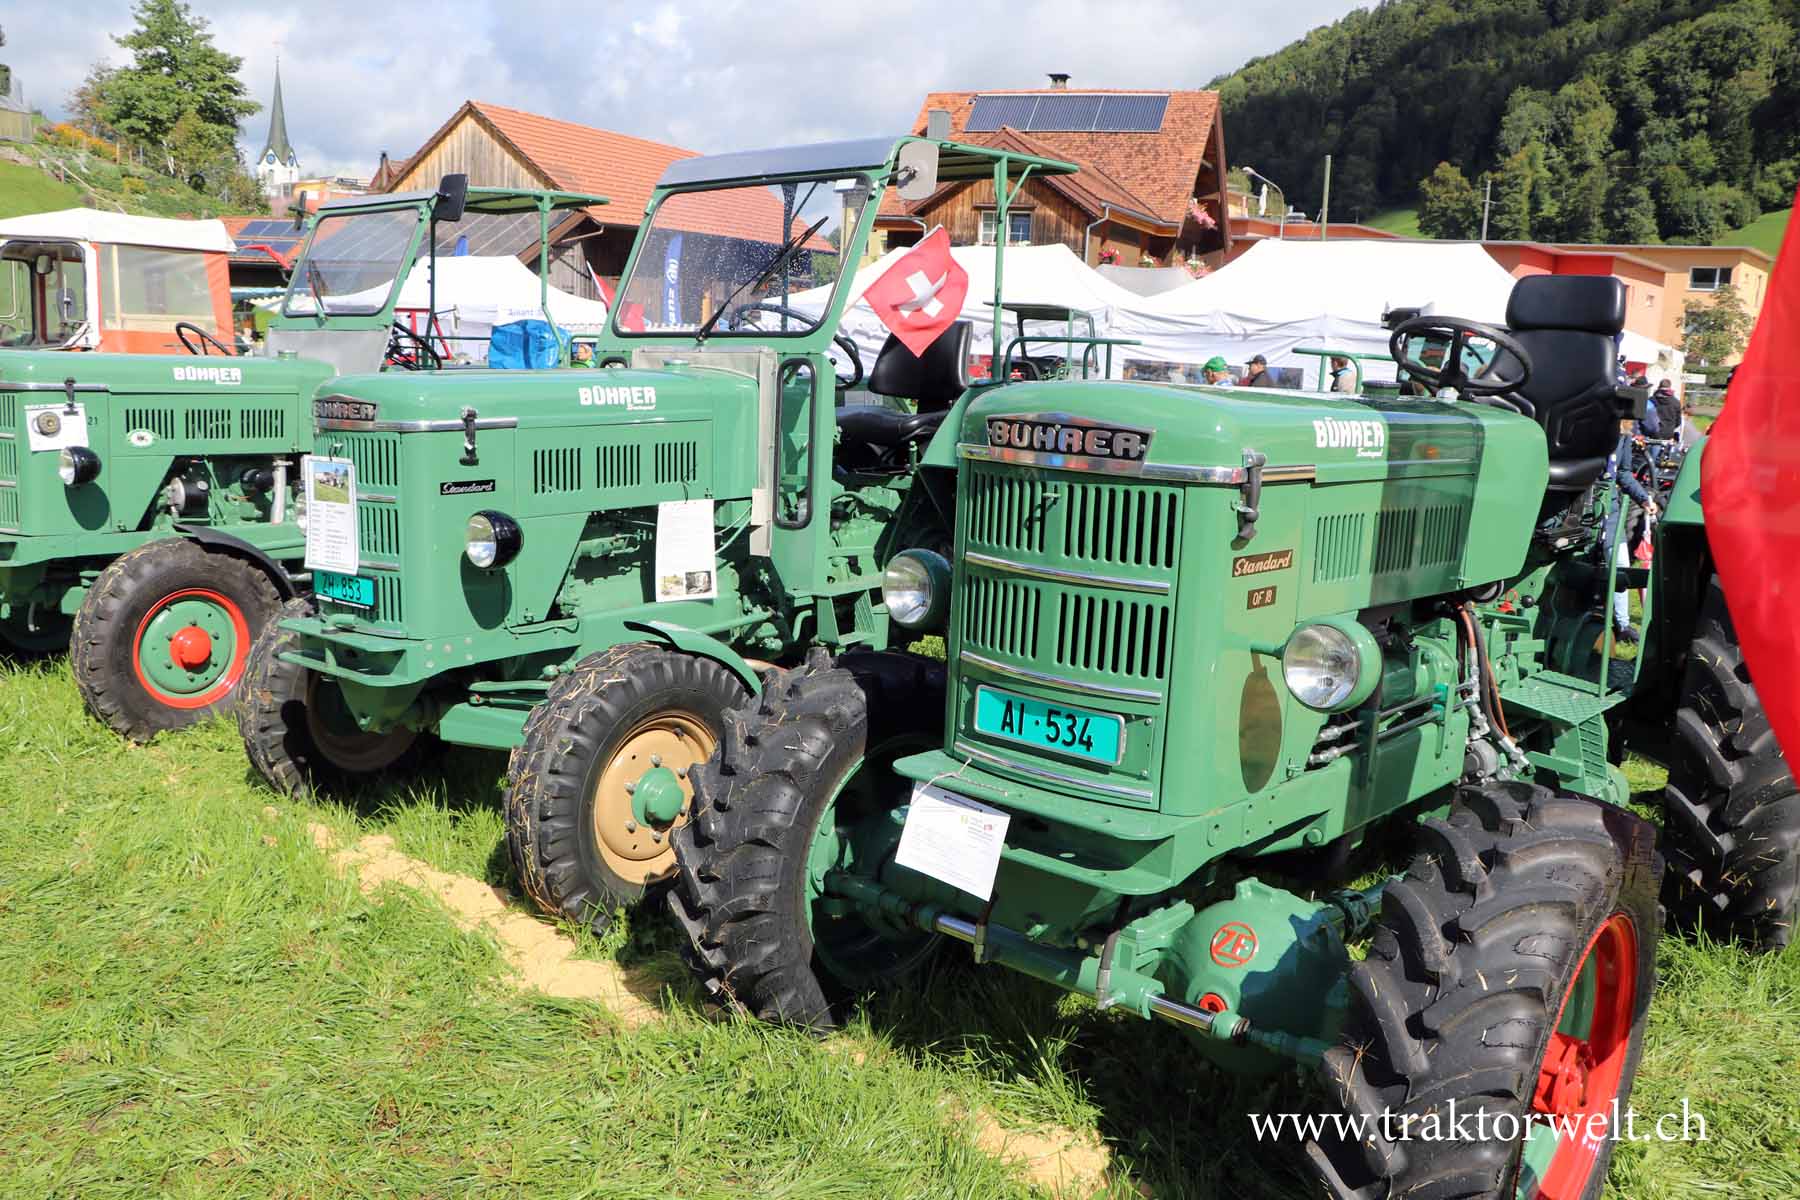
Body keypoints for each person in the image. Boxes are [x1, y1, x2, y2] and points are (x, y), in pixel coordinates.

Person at [1602, 417, 1657, 643]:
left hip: (1610, 509)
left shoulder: (1625, 431)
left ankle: (1623, 625)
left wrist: (1644, 499)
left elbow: (1623, 473)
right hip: (1580, 505)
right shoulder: (1591, 424)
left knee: (1621, 566)